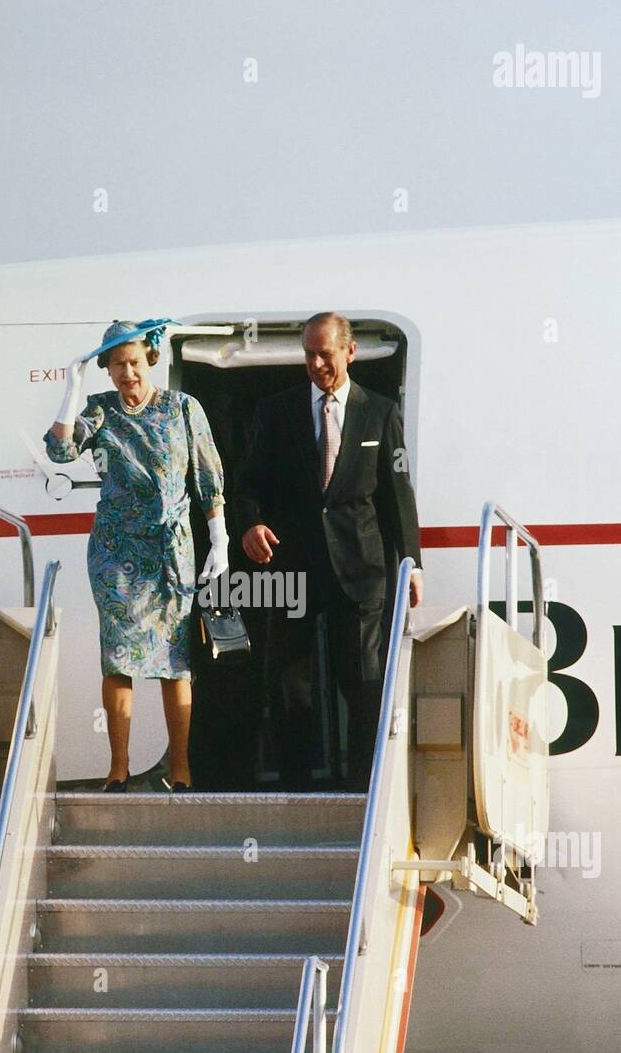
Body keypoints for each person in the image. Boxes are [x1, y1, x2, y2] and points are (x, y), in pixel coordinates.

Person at [236, 311, 422, 791]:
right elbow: (249, 481)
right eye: (309, 354)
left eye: (326, 354)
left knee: (362, 681)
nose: (317, 363)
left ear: (350, 352)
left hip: (361, 565)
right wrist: (250, 523)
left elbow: (398, 495)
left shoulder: (379, 412)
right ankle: (296, 789)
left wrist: (412, 564)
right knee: (290, 684)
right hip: (291, 563)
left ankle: (365, 787)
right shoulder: (276, 411)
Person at [43, 319, 227, 792]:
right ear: (107, 370)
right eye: (117, 364)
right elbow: (61, 451)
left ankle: (181, 767)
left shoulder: (183, 408)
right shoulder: (100, 411)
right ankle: (118, 768)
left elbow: (208, 478)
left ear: (151, 358)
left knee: (174, 660)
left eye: (134, 361)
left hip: (171, 551)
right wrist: (72, 386)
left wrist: (220, 538)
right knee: (118, 658)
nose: (128, 372)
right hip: (116, 552)